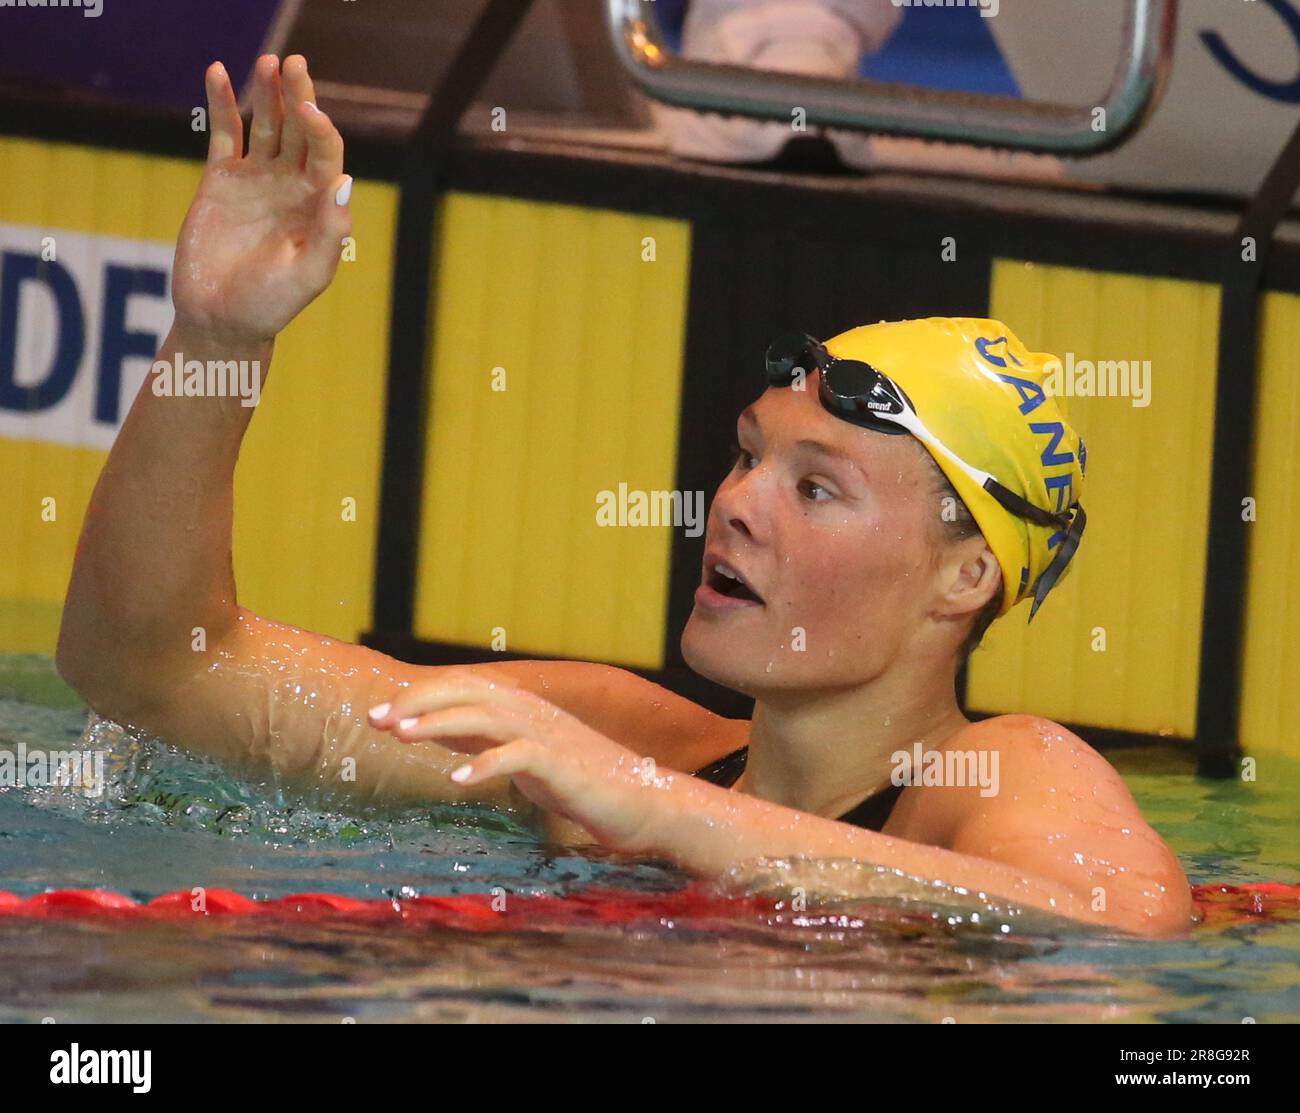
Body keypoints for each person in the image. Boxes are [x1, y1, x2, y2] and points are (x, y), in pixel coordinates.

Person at [57, 55, 1191, 937]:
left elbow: (1126, 923)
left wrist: (647, 807)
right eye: (749, 456)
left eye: (817, 487)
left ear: (965, 576)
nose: (739, 503)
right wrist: (217, 339)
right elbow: (154, 671)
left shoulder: (1003, 776)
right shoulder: (616, 736)